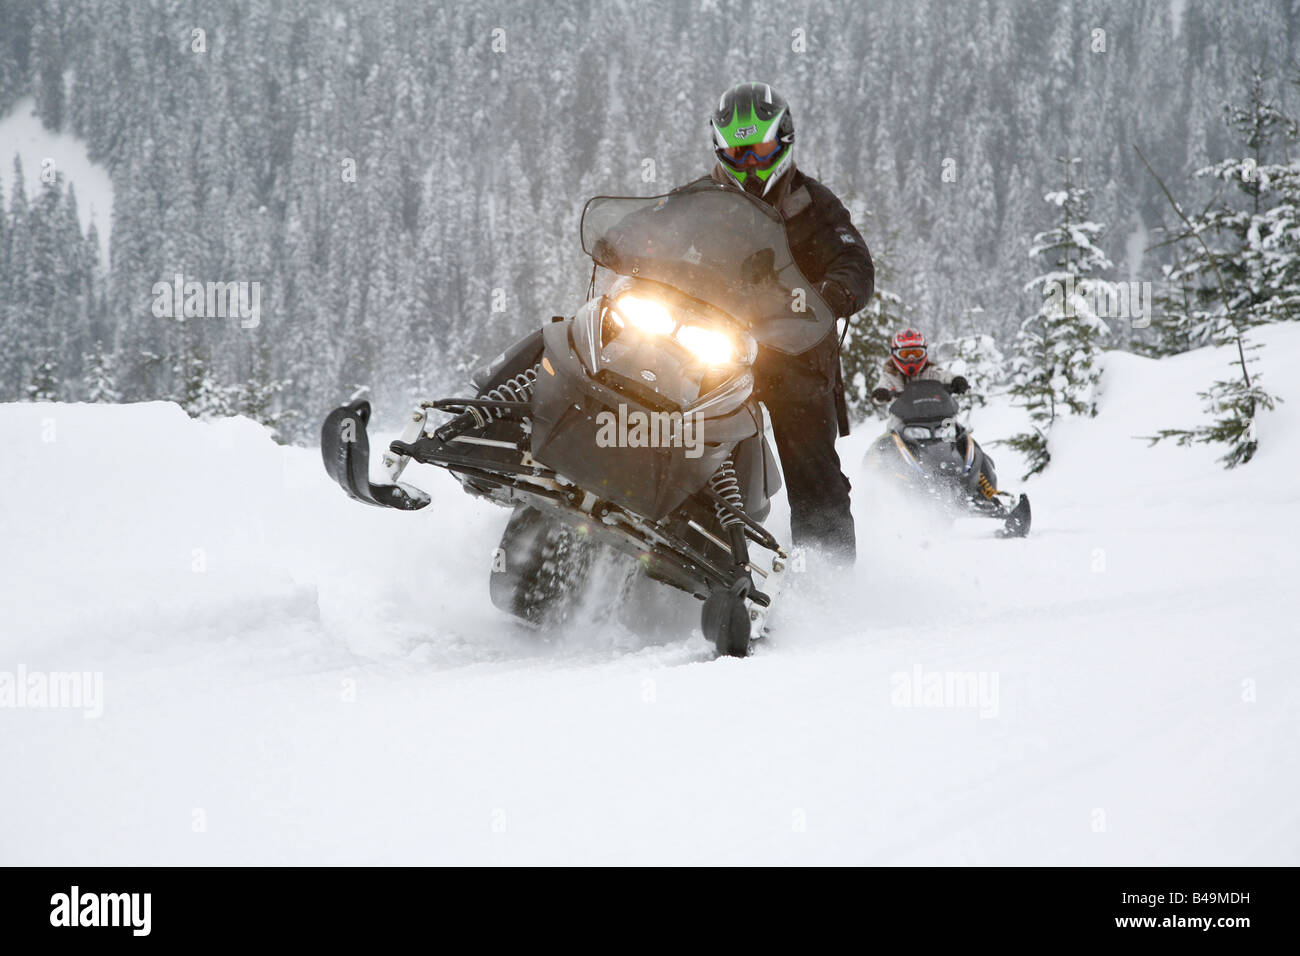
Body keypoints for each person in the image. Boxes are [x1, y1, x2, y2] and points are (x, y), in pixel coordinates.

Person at [677, 81, 874, 565]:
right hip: (709, 344)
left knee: (812, 462)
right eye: (738, 153)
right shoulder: (698, 201)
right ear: (720, 150)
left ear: (783, 142)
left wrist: (833, 292)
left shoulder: (815, 203)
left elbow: (853, 259)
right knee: (656, 424)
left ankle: (828, 581)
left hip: (795, 349)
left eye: (760, 149)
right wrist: (624, 252)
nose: (750, 164)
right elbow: (662, 242)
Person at [871, 328, 969, 402]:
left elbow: (944, 376)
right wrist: (881, 392)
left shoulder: (931, 372)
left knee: (955, 426)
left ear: (925, 353)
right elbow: (884, 385)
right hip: (902, 419)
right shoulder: (891, 375)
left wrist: (956, 380)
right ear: (894, 354)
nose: (911, 359)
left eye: (917, 353)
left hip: (935, 415)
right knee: (893, 428)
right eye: (905, 354)